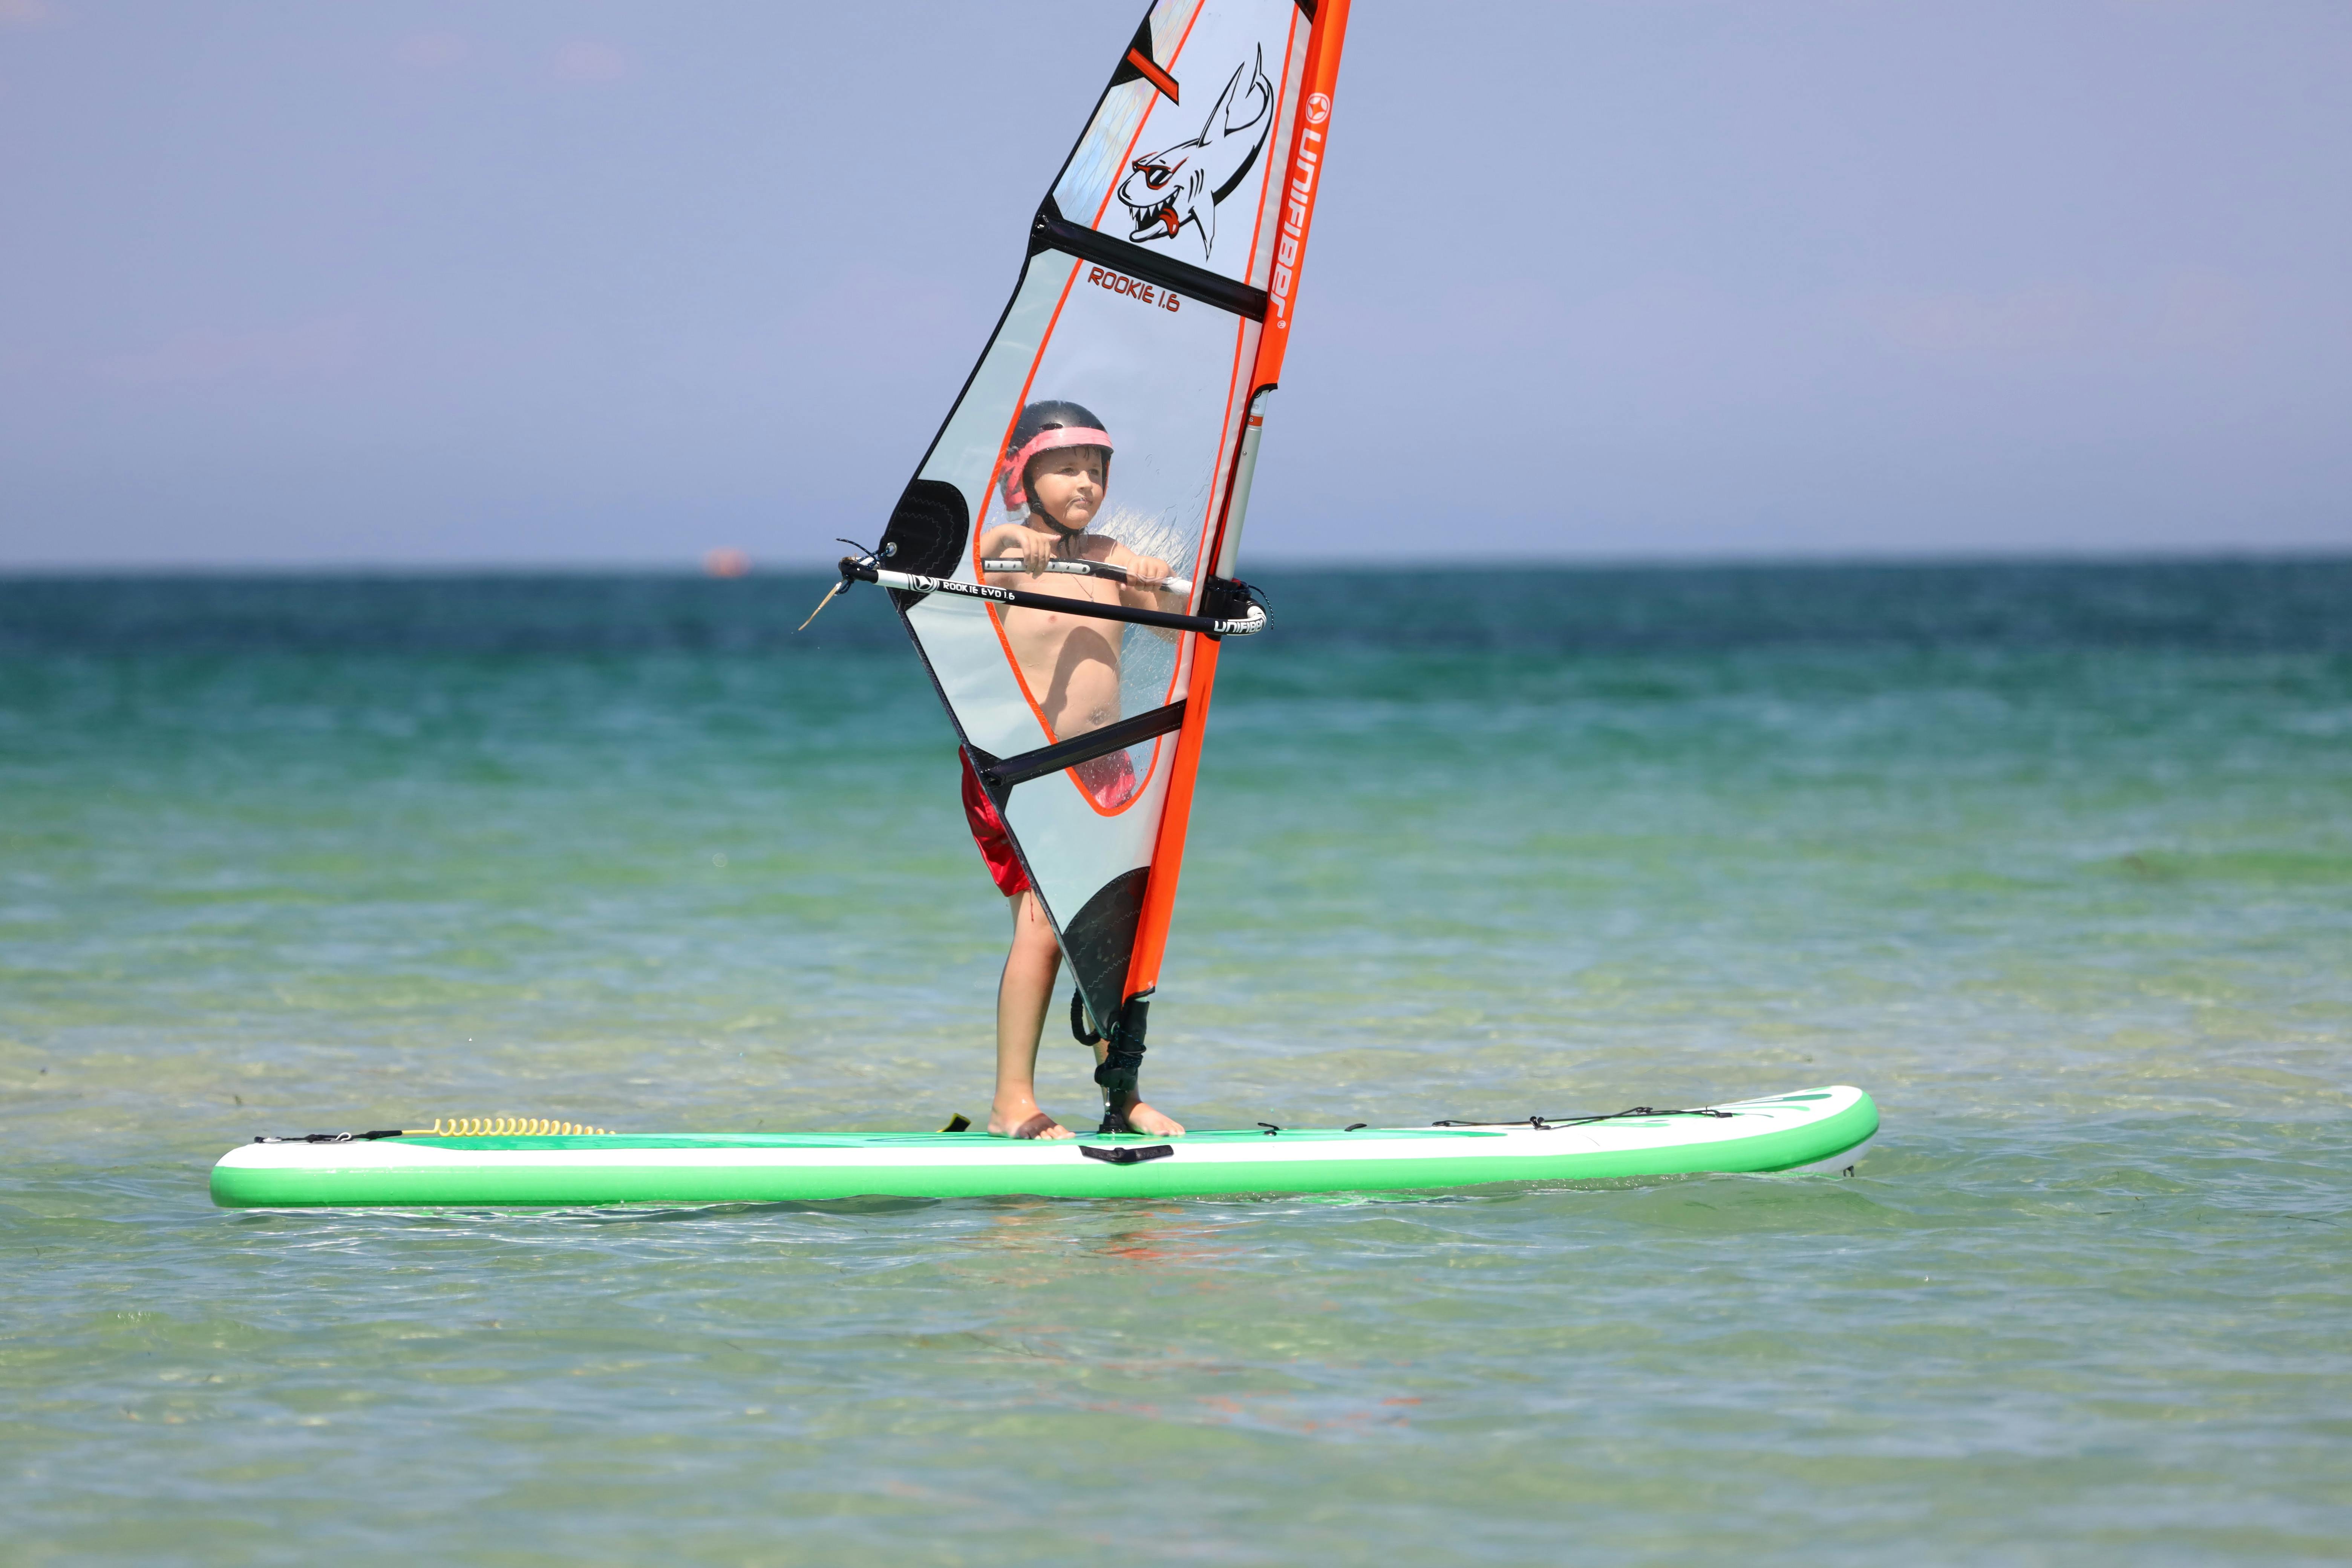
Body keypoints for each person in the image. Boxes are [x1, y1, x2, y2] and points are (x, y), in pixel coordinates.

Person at [962, 399, 1188, 1140]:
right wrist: (1012, 556)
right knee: (1043, 928)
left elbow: (1156, 613)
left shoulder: (1113, 553)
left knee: (1111, 937)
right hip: (1026, 771)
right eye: (1065, 469)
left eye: (1096, 471)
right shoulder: (1008, 545)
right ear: (1024, 476)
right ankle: (1011, 1103)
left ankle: (1120, 1095)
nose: (1085, 483)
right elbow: (990, 554)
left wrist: (1150, 578)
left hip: (1107, 768)